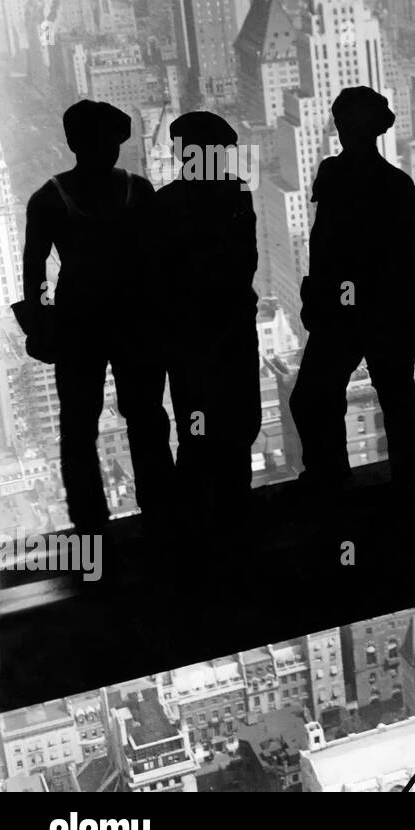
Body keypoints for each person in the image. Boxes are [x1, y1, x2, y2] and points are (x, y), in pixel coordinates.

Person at [19, 100, 173, 530]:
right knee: (143, 418)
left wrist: (42, 322)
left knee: (81, 427)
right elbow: (157, 260)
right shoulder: (137, 190)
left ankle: (93, 529)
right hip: (131, 319)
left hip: (80, 322)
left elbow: (36, 274)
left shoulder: (49, 198)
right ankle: (161, 517)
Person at [289, 87, 415, 491]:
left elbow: (408, 259)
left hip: (367, 311)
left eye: (350, 120)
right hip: (355, 310)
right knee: (383, 397)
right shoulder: (343, 176)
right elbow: (323, 242)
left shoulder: (391, 185)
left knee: (388, 397)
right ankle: (348, 478)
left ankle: (340, 479)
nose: (343, 127)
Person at [152, 112, 261, 523]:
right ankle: (226, 517)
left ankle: (199, 522)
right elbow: (243, 264)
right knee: (231, 426)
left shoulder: (166, 203)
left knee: (200, 427)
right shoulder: (235, 196)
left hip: (194, 336)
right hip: (220, 331)